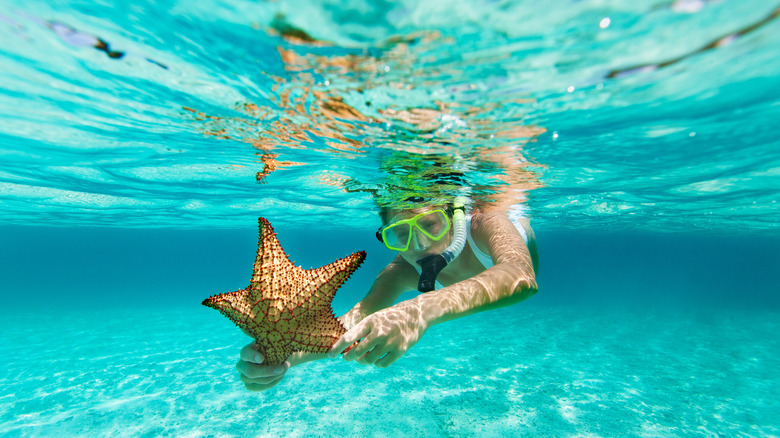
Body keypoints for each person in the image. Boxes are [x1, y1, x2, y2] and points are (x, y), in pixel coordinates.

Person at [235, 197, 539, 391]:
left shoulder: (485, 223)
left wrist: (416, 312)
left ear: (454, 217)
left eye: (431, 225)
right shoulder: (404, 269)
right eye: (401, 233)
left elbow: (521, 274)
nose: (418, 244)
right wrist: (281, 358)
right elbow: (355, 318)